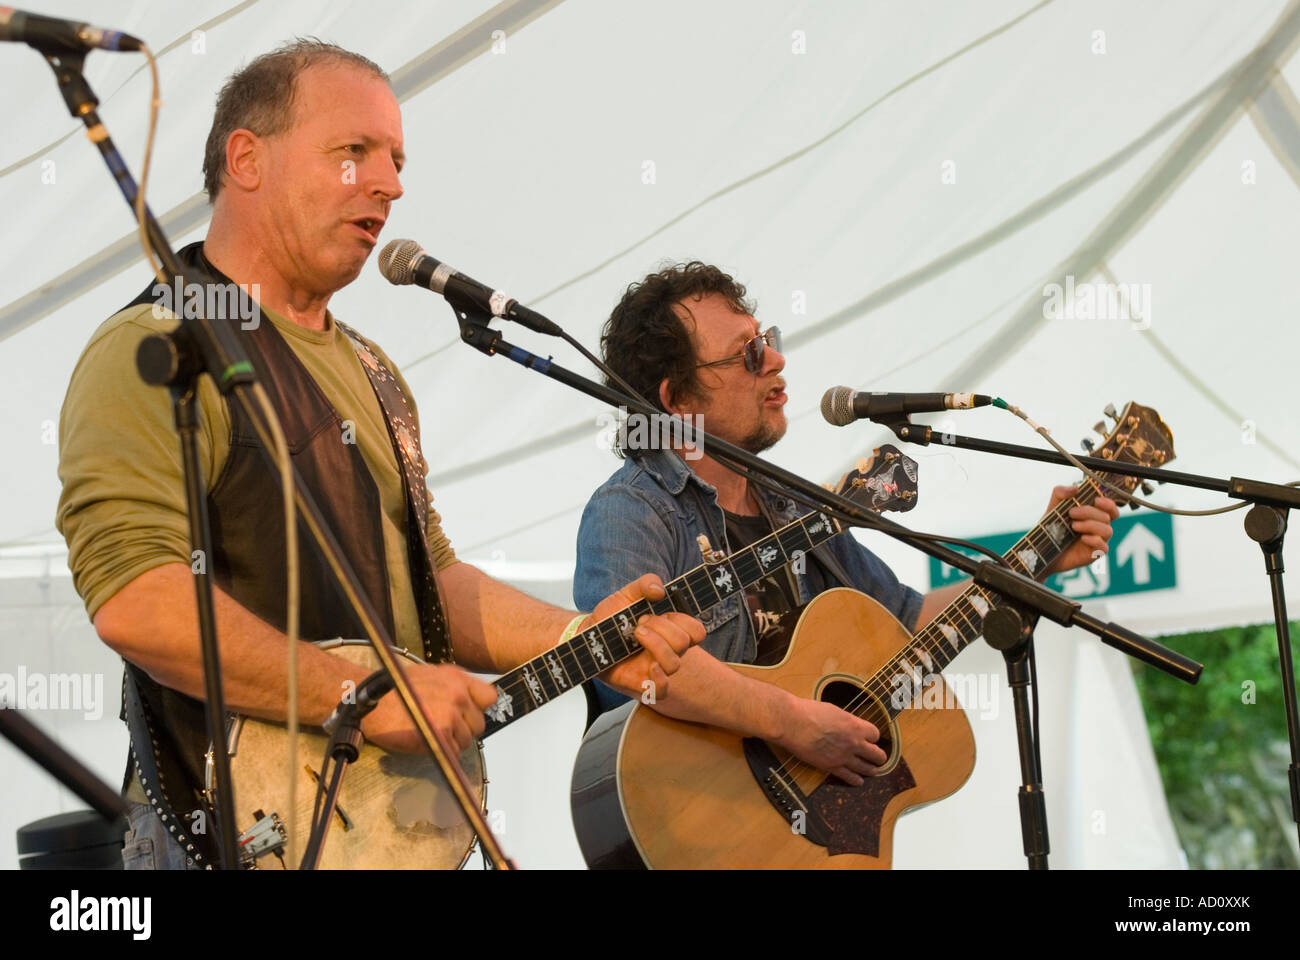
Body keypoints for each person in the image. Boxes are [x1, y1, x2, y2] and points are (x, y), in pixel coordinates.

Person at [54, 41, 702, 870]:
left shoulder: (374, 372)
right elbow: (137, 600)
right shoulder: (156, 348)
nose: (390, 185)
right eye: (353, 153)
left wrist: (583, 634)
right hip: (231, 840)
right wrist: (361, 695)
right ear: (245, 159)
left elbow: (436, 579)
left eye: (396, 161)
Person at [573, 262, 1119, 787]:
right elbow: (630, 669)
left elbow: (906, 622)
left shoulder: (793, 504)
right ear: (677, 401)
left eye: (768, 340)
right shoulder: (632, 510)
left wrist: (1040, 557)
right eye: (747, 355)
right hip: (703, 817)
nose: (776, 361)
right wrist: (794, 724)